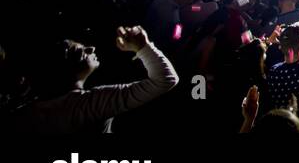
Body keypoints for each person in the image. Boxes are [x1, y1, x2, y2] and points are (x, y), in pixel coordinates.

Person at [11, 26, 179, 133]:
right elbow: (166, 79)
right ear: (65, 69)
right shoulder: (90, 104)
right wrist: (144, 47)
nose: (92, 48)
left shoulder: (28, 109)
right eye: (81, 52)